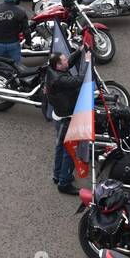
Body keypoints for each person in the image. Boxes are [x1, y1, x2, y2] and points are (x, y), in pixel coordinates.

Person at [44, 52, 82, 195]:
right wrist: (88, 62)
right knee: (70, 151)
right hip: (67, 117)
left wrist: (79, 51)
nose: (67, 61)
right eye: (64, 60)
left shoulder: (52, 69)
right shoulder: (59, 80)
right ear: (58, 65)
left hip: (60, 116)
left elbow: (70, 63)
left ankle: (58, 174)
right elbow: (79, 80)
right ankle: (64, 183)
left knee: (60, 147)